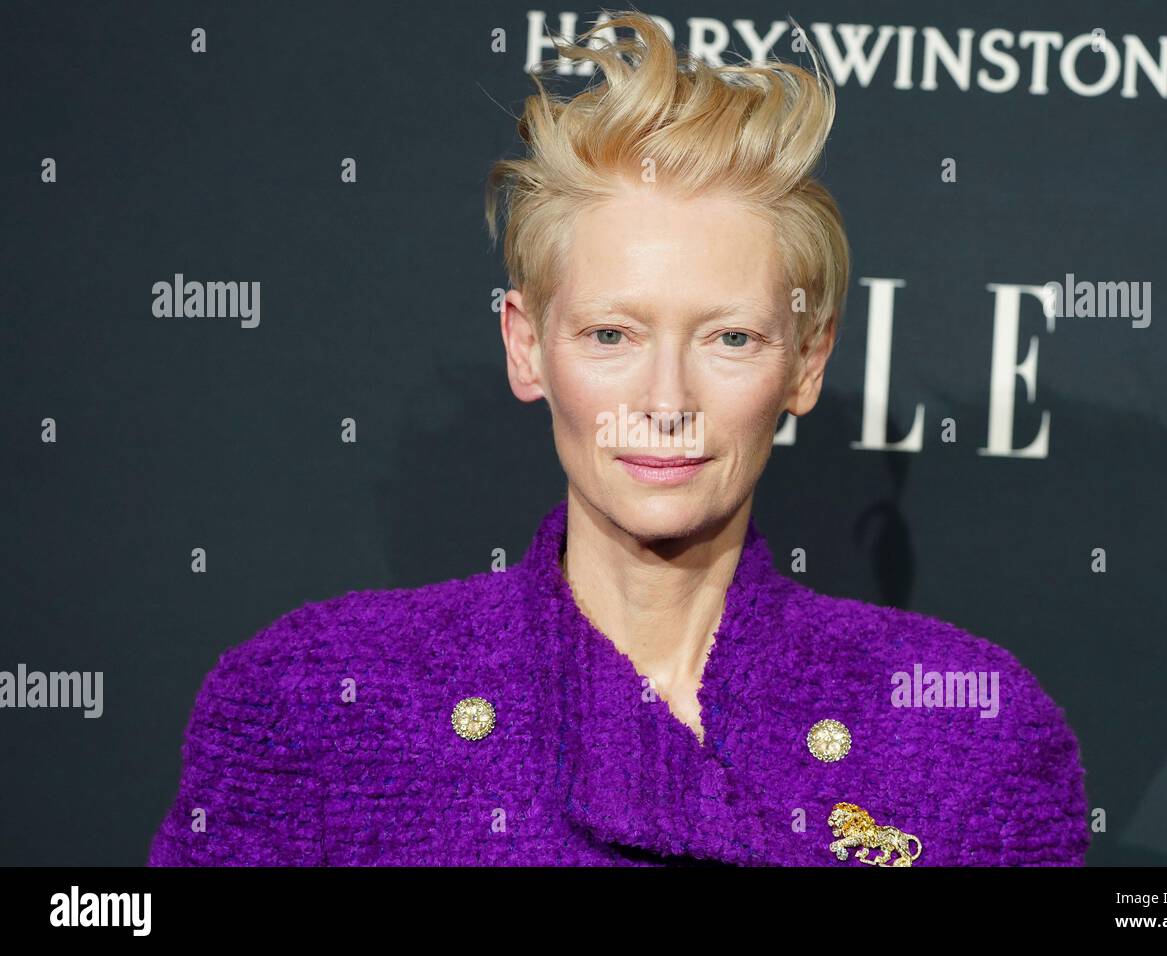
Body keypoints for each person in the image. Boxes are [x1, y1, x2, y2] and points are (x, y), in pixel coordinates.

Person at [148, 9, 1089, 866]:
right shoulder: (320, 698)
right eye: (611, 335)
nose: (665, 398)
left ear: (805, 361)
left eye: (730, 338)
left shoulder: (965, 730)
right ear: (527, 347)